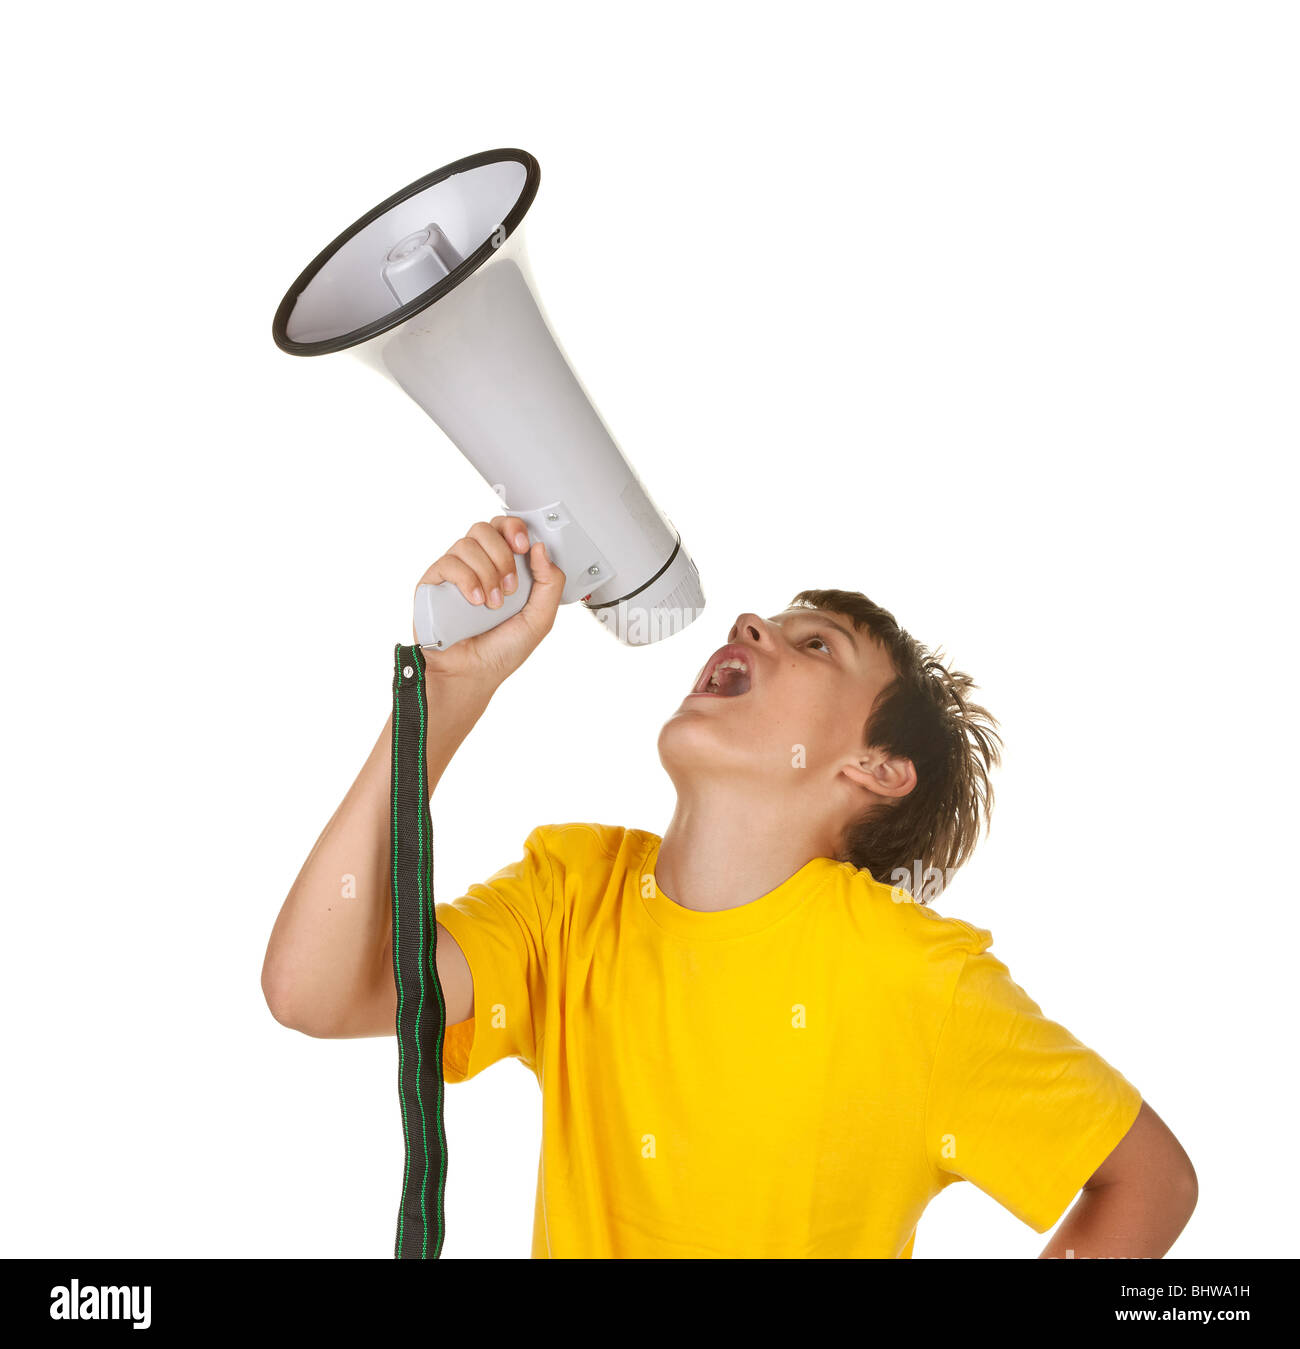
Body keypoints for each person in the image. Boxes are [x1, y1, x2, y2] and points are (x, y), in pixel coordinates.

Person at [261, 515, 1197, 1258]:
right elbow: (313, 989)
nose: (750, 624)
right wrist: (443, 696)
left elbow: (1147, 1181)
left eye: (818, 644)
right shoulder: (570, 897)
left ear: (876, 766)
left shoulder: (919, 982)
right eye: (768, 623)